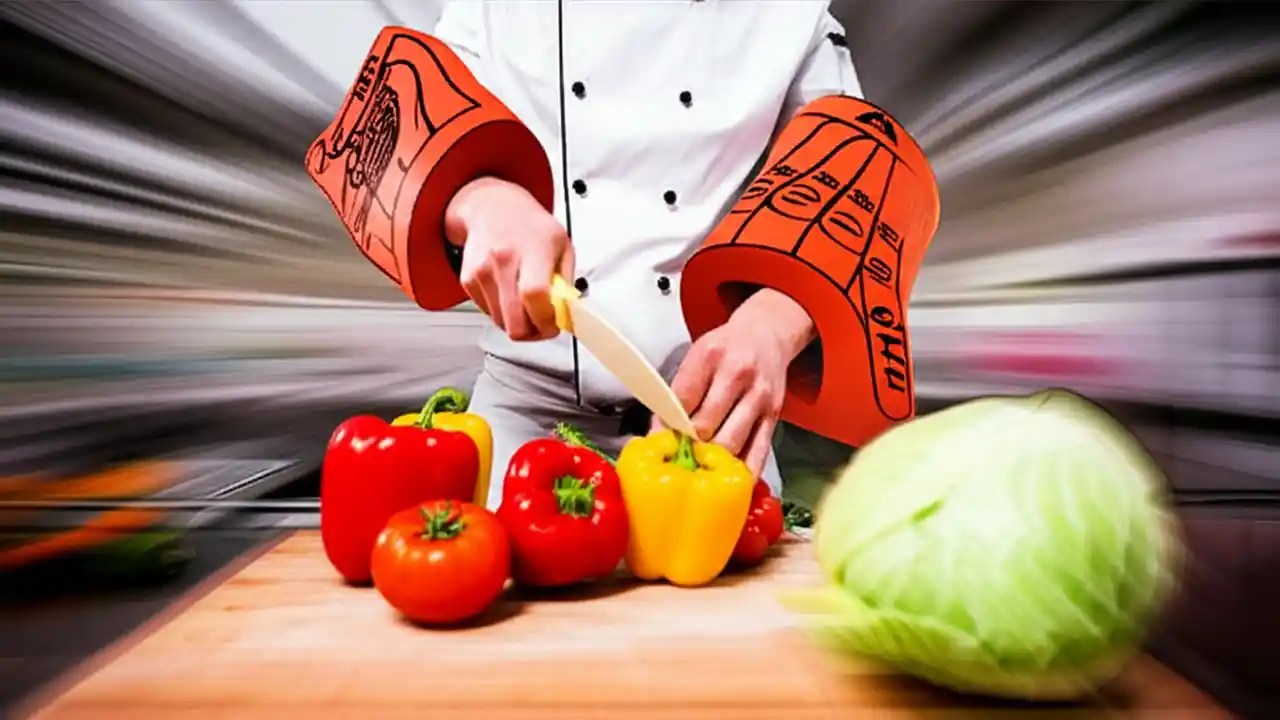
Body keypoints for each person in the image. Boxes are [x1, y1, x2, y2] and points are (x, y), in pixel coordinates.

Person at [432, 0, 864, 508]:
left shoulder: (788, 13)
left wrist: (771, 326)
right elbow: (411, 133)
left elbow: (854, 191)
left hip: (712, 430)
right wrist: (481, 198)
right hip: (521, 428)